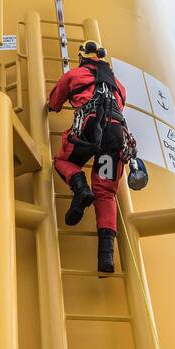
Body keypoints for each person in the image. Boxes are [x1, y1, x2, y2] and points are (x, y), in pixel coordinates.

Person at [48, 40, 131, 273]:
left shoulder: (75, 75)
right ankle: (106, 258)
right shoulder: (119, 86)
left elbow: (54, 102)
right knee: (105, 192)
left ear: (83, 57)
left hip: (88, 130)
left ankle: (81, 189)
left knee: (63, 161)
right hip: (115, 137)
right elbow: (119, 107)